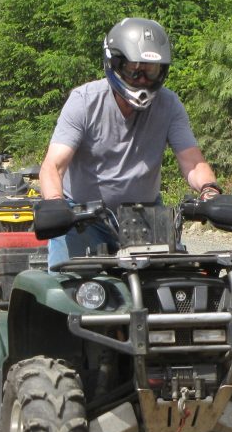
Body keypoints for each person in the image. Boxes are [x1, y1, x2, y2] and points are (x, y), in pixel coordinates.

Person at [38, 17, 221, 267]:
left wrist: (209, 192)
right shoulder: (84, 101)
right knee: (67, 290)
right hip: (82, 218)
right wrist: (55, 204)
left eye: (151, 71)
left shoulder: (169, 104)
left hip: (144, 216)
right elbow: (53, 166)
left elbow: (192, 162)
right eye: (135, 70)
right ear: (114, 63)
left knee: (171, 286)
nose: (143, 79)